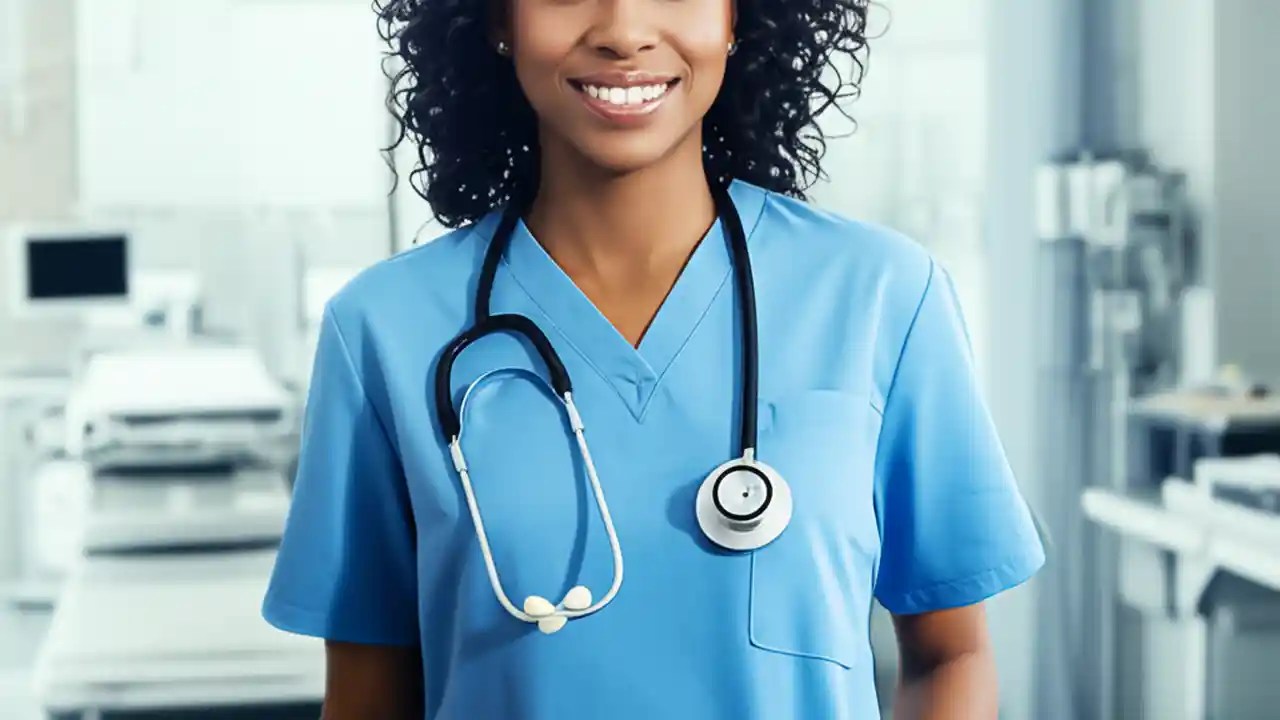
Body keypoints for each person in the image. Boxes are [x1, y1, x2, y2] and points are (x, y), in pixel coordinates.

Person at [261, 0, 1045, 718]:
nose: (624, 29)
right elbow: (367, 698)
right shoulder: (382, 332)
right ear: (495, 18)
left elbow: (952, 654)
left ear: (740, 16)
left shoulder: (882, 298)